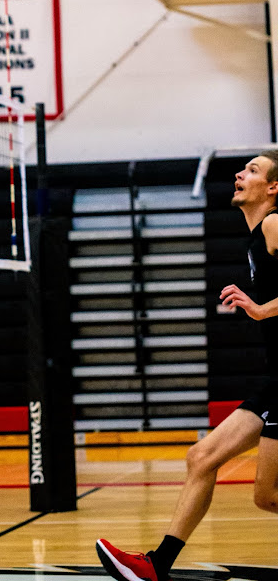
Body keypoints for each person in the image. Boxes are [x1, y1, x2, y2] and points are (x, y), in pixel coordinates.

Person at [97, 150, 278, 581]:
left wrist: (259, 310)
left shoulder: (274, 224)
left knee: (267, 495)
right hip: (275, 378)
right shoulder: (257, 236)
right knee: (201, 457)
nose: (240, 173)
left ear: (273, 188)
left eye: (253, 170)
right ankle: (155, 566)